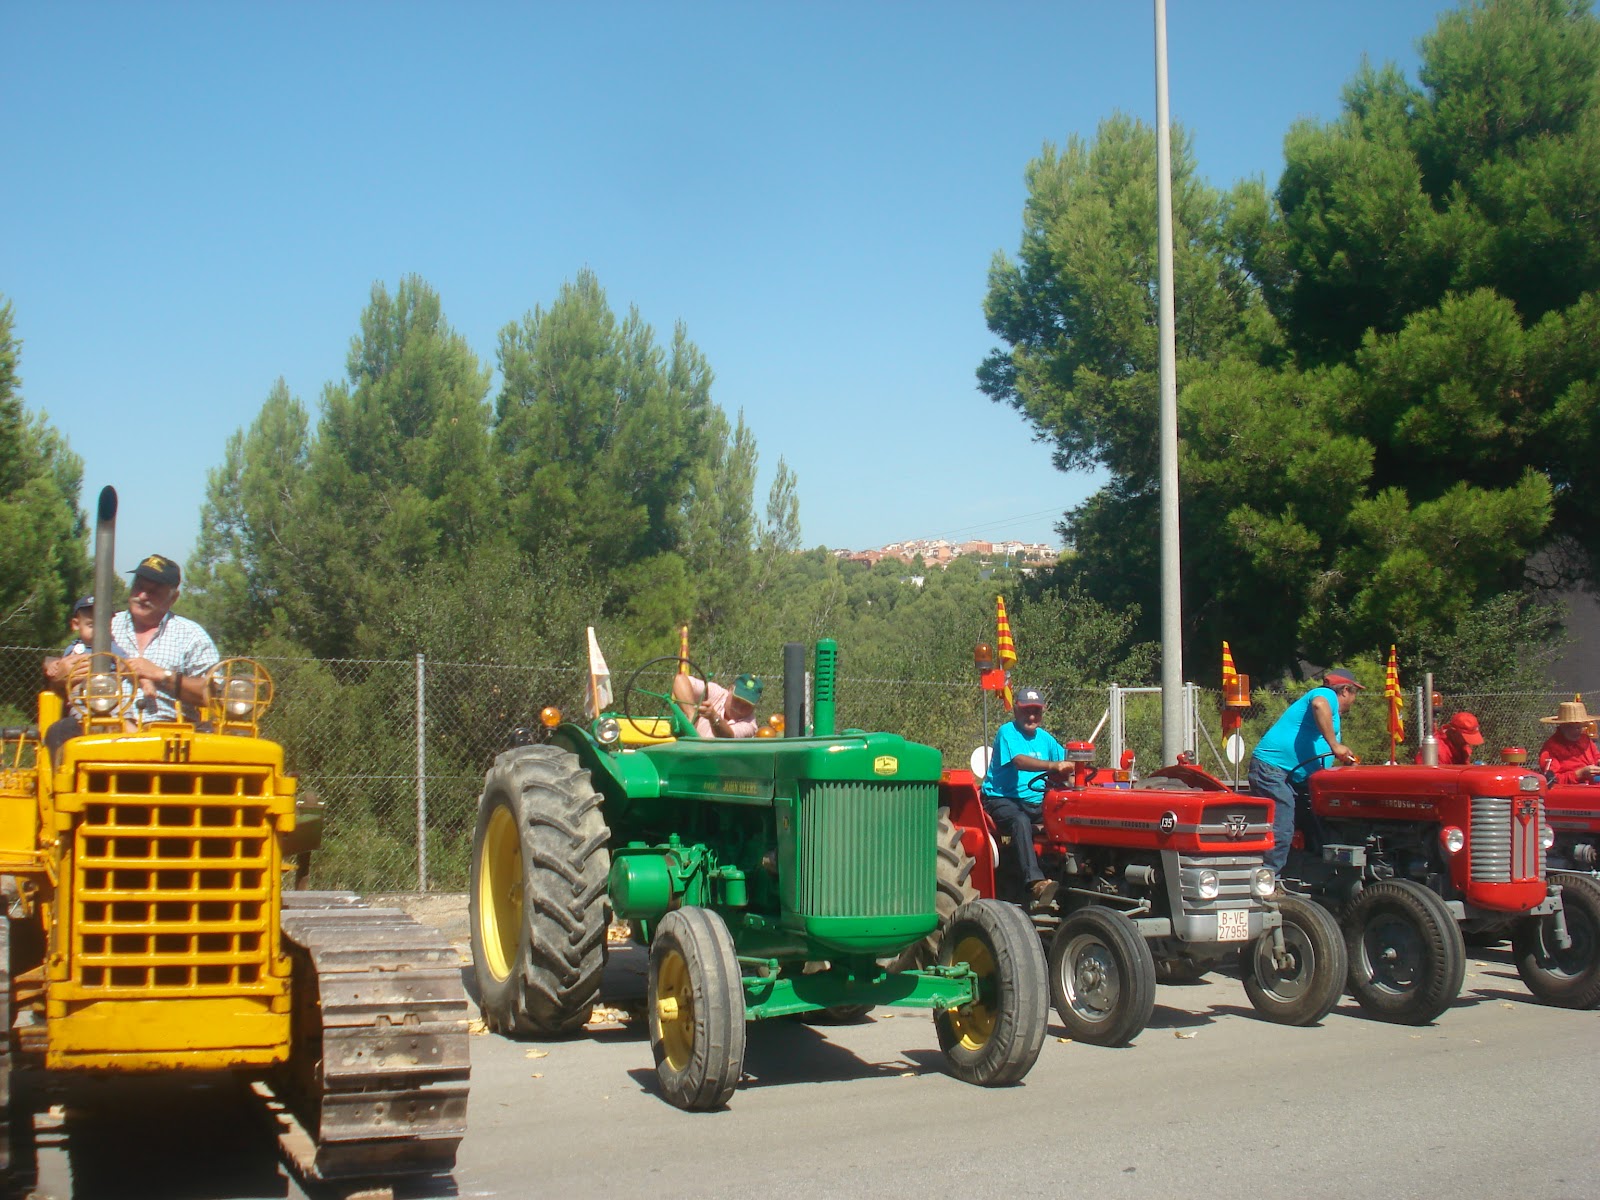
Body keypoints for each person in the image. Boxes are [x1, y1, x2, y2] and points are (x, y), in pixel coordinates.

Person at [44, 555, 220, 763]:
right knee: (60, 731)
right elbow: (60, 671)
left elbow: (214, 694)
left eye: (154, 591)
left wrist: (161, 675)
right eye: (138, 586)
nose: (143, 595)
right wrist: (59, 678)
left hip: (171, 733)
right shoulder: (101, 624)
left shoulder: (191, 635)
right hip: (100, 728)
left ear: (174, 597)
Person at [1248, 667, 1363, 875]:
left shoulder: (1333, 716)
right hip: (1273, 769)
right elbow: (1319, 705)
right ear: (1345, 690)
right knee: (1283, 824)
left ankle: (1315, 871)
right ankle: (1267, 878)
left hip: (1297, 777)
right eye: (1355, 694)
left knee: (1318, 819)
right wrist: (1336, 746)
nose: (1353, 701)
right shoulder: (1326, 695)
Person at [980, 687, 1068, 909]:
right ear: (1016, 710)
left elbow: (1066, 759)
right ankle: (1035, 882)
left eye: (1036, 712)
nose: (1031, 717)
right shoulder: (1007, 732)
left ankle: (1077, 873)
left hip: (1035, 801)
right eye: (1026, 711)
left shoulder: (1046, 739)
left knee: (1069, 815)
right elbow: (1019, 760)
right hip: (1001, 799)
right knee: (1020, 821)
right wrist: (1052, 765)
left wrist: (1076, 762)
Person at [671, 672, 763, 739]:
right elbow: (679, 679)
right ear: (730, 689)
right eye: (737, 700)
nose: (739, 708)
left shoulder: (750, 725)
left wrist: (713, 717)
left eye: (746, 705)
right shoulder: (716, 693)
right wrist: (691, 715)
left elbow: (727, 736)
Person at [41, 595, 96, 696]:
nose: (97, 630)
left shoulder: (111, 646)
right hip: (77, 699)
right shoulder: (73, 649)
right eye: (91, 625)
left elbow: (123, 664)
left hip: (103, 696)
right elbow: (62, 666)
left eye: (102, 625)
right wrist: (55, 666)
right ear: (76, 624)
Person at [1537, 700, 1600, 785]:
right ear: (1564, 726)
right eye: (1576, 727)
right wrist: (1579, 774)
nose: (1580, 730)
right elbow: (1551, 781)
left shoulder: (1585, 739)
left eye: (1581, 726)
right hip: (1571, 793)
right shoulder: (1550, 749)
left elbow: (1596, 757)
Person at [1415, 711, 1484, 766]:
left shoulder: (1460, 746)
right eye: (1465, 738)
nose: (1467, 742)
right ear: (1453, 732)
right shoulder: (1437, 750)